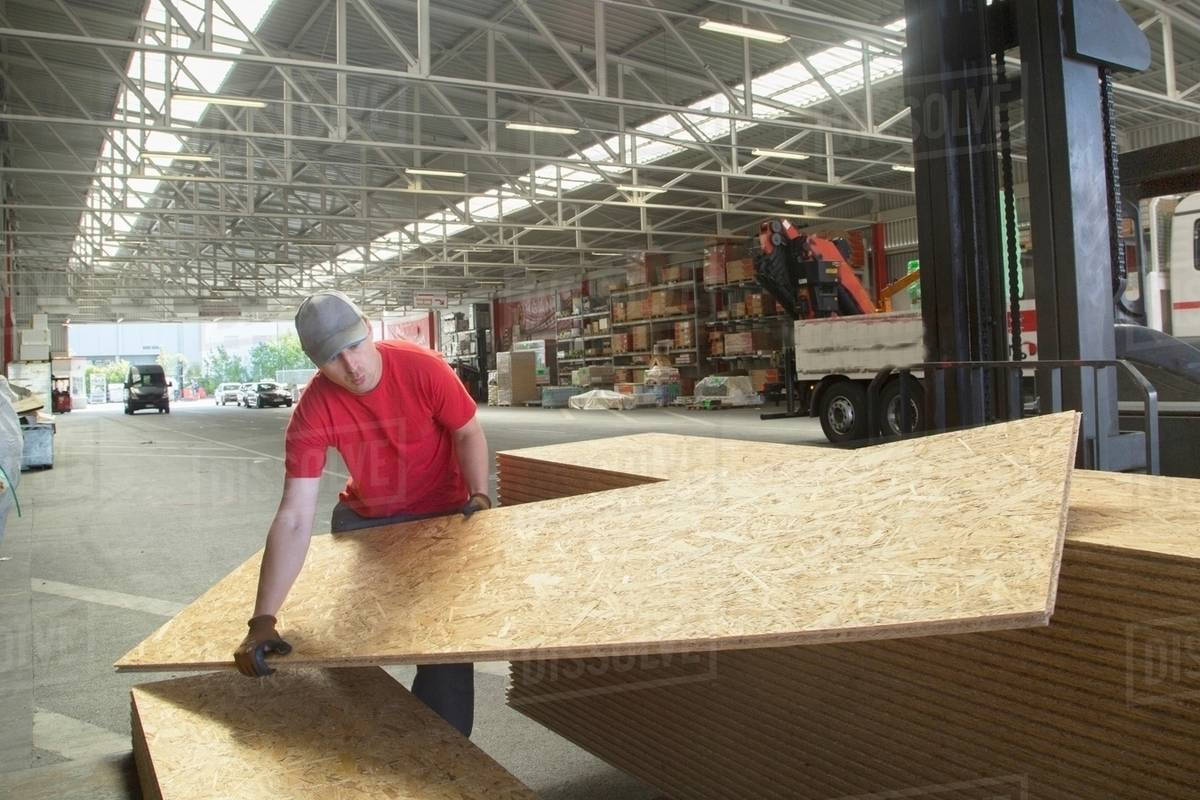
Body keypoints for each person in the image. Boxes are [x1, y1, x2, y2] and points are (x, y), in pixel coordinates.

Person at [232, 290, 491, 737]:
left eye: (354, 346)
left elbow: (467, 432)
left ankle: (441, 749)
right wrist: (262, 619)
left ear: (369, 330)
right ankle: (359, 743)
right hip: (365, 520)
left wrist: (480, 496)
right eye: (333, 359)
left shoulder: (423, 367)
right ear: (316, 363)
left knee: (443, 644)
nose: (351, 367)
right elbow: (294, 516)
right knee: (347, 636)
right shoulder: (313, 411)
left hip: (441, 513)